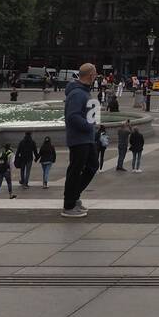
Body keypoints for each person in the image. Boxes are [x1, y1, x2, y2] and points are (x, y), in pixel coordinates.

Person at [62, 62, 100, 218]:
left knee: (92, 166)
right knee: (75, 171)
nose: (96, 75)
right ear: (91, 75)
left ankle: (74, 196)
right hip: (79, 138)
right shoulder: (78, 94)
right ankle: (69, 205)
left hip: (86, 138)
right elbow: (72, 117)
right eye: (95, 73)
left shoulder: (83, 92)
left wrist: (93, 122)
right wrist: (89, 126)